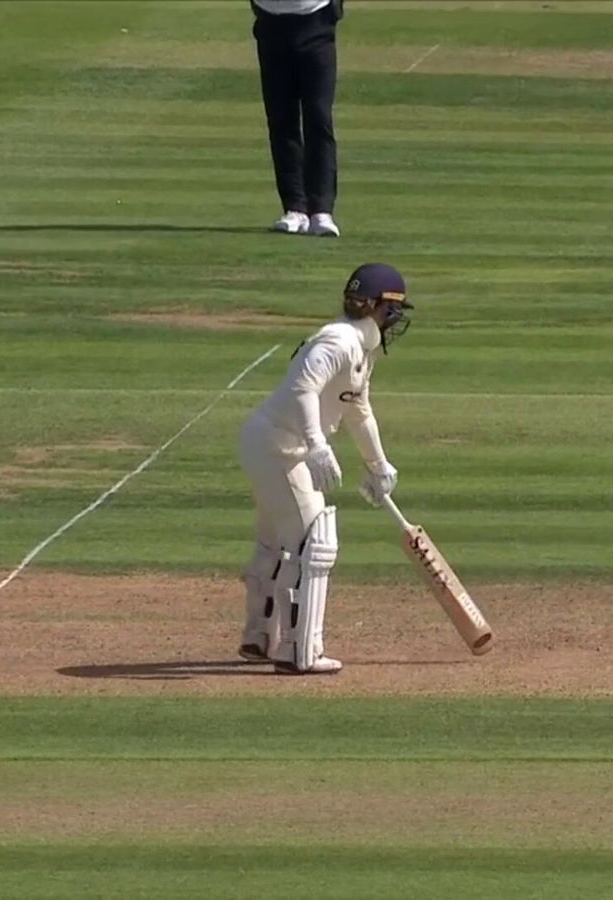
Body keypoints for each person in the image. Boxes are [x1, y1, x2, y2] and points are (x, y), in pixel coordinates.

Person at [237, 262, 412, 673]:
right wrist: (316, 444)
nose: (394, 318)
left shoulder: (359, 349)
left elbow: (358, 412)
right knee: (313, 539)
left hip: (268, 442)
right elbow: (304, 388)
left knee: (275, 541)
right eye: (392, 308)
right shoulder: (339, 342)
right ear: (377, 306)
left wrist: (379, 466)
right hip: (280, 445)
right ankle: (300, 651)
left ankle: (260, 635)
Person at [251, 0, 343, 237]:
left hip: (316, 21)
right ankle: (295, 208)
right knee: (281, 118)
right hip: (271, 22)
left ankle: (321, 210)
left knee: (319, 116)